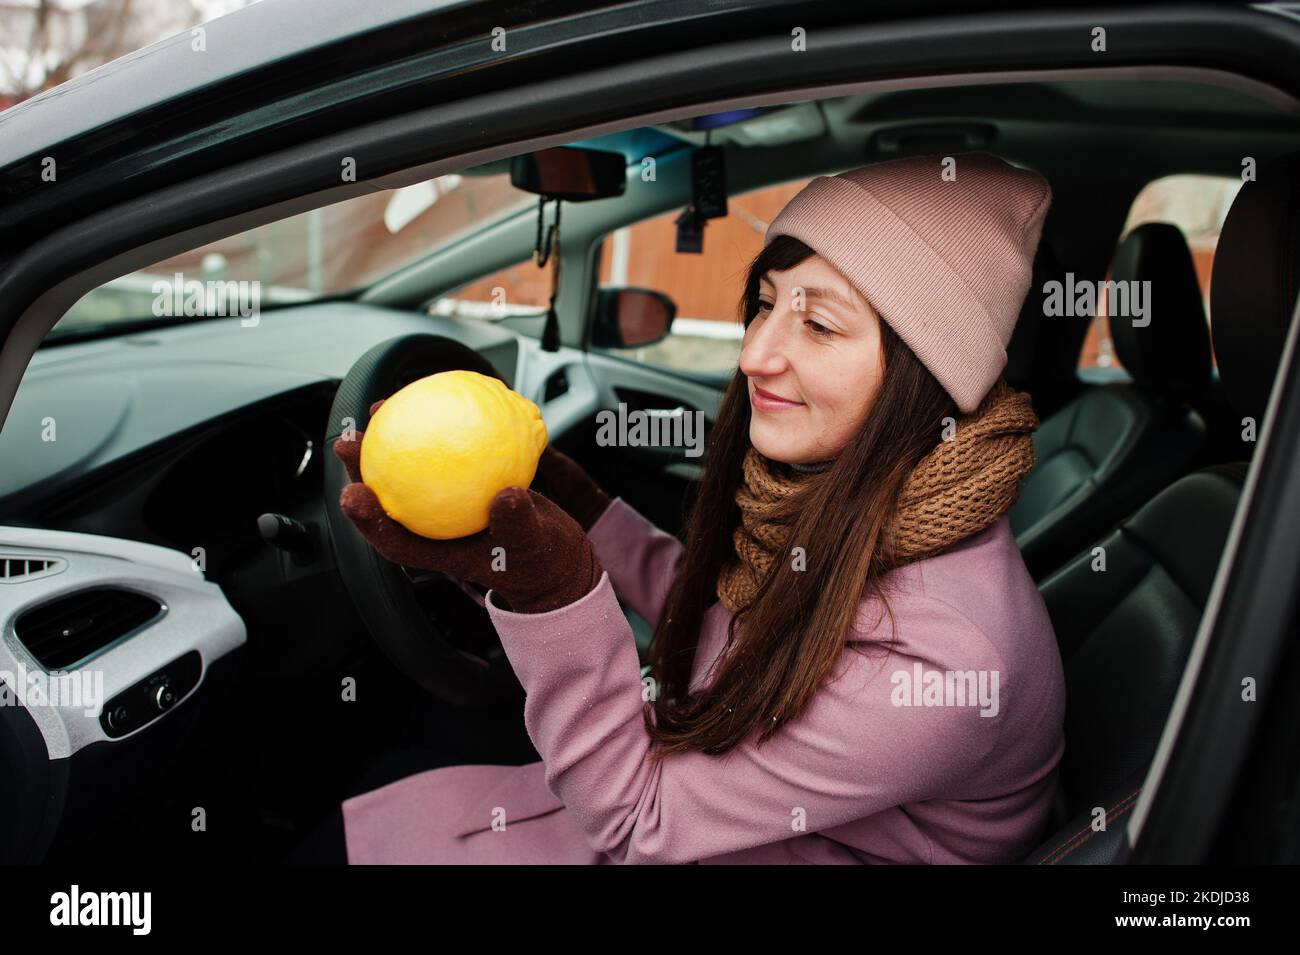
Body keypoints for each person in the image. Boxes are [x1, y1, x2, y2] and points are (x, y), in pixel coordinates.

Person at [297, 150, 1066, 865]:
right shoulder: (859, 489)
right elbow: (724, 621)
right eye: (765, 304)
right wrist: (579, 504)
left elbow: (639, 821)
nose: (756, 353)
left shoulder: (942, 662)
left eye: (819, 324)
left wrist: (553, 591)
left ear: (926, 377)